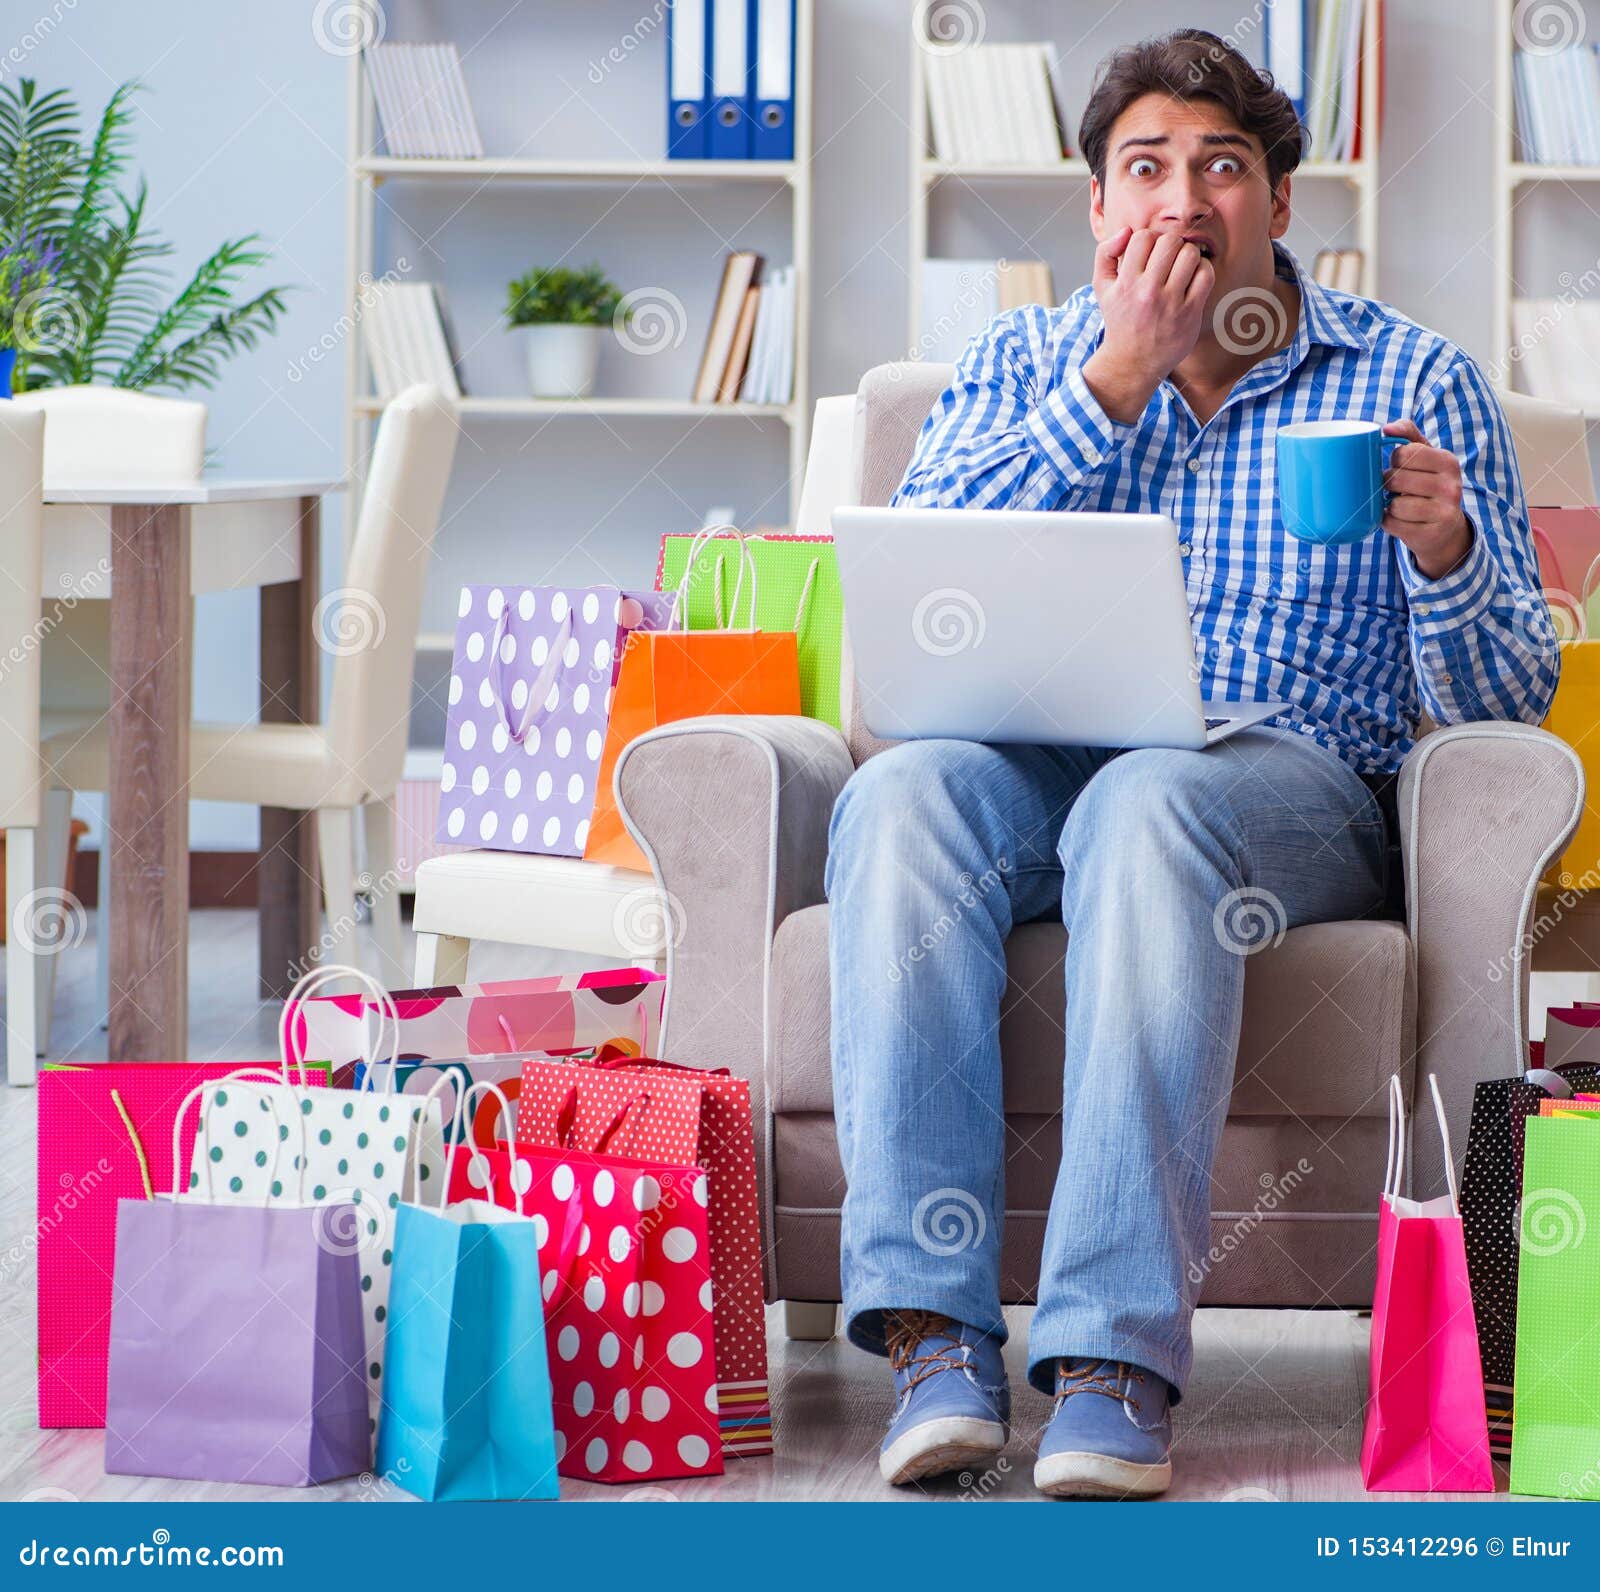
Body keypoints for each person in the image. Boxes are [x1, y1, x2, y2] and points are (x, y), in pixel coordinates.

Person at [826, 28, 1558, 1500]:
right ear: (1098, 207)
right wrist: (1116, 378)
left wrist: (1448, 553)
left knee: (1150, 803)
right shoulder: (1022, 362)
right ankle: (932, 1340)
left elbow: (1508, 698)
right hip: (1037, 762)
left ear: (1278, 203)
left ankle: (1113, 1360)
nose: (1182, 199)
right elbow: (923, 584)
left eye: (1221, 167)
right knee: (897, 794)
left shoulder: (1414, 377)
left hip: (1285, 785)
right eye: (1145, 169)